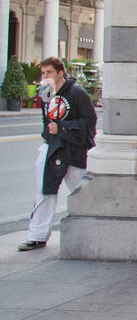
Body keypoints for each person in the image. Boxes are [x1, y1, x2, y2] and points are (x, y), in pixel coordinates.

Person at [19, 57, 97, 252]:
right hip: (52, 148)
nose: (45, 77)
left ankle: (95, 228)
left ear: (60, 73)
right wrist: (49, 135)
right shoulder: (46, 92)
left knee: (84, 188)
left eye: (49, 72)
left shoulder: (77, 93)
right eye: (43, 73)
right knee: (45, 190)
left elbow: (90, 120)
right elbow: (47, 121)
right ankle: (37, 235)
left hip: (74, 149)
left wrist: (62, 128)